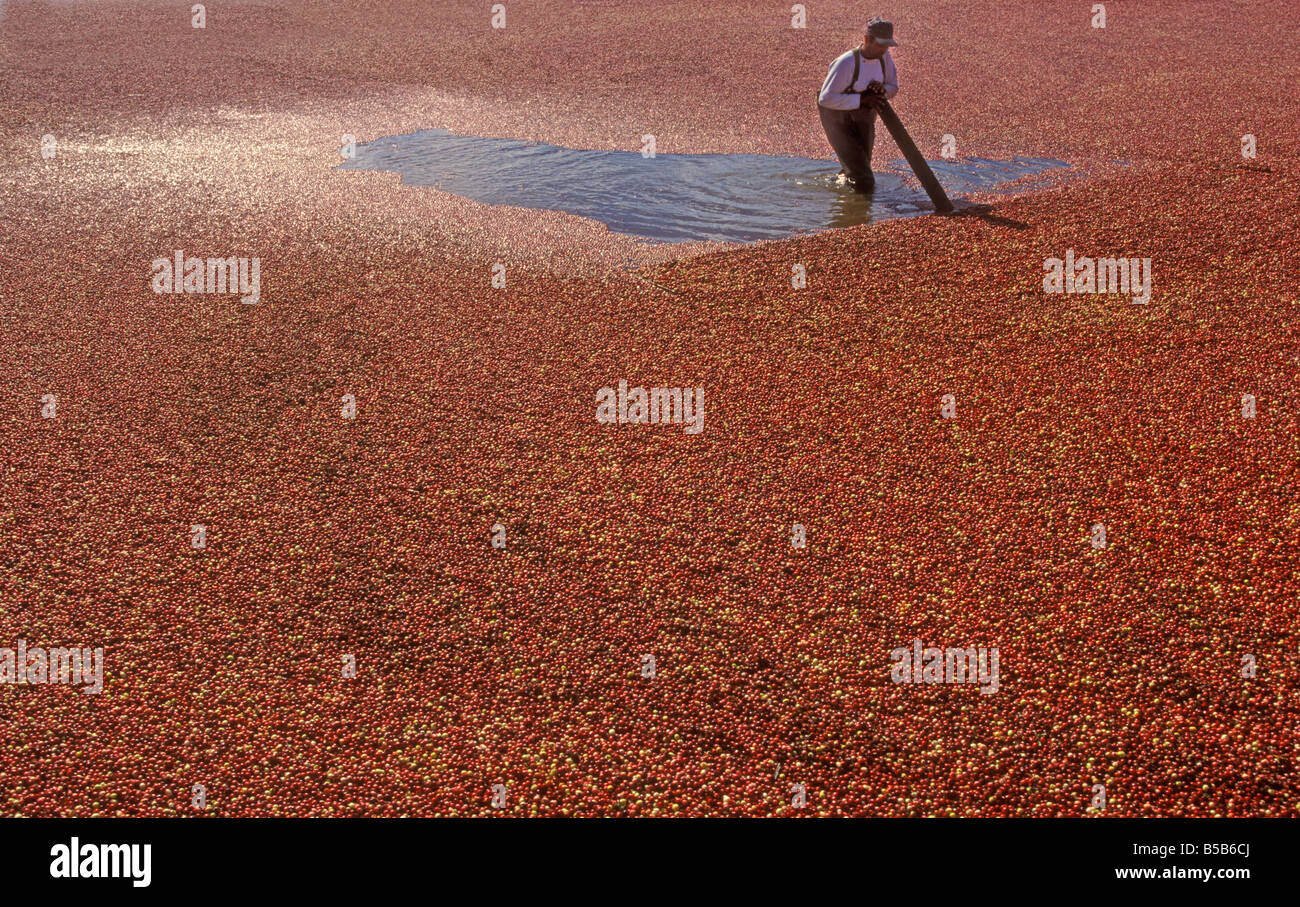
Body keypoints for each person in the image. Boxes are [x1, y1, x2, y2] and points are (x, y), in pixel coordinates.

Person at [816, 18, 899, 193]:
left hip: (864, 115)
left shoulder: (885, 58)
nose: (884, 49)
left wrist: (883, 89)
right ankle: (856, 210)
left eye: (887, 45)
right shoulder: (845, 63)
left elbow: (893, 86)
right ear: (867, 39)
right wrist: (861, 100)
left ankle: (840, 187)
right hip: (836, 117)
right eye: (880, 45)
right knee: (864, 178)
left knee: (862, 162)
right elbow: (825, 99)